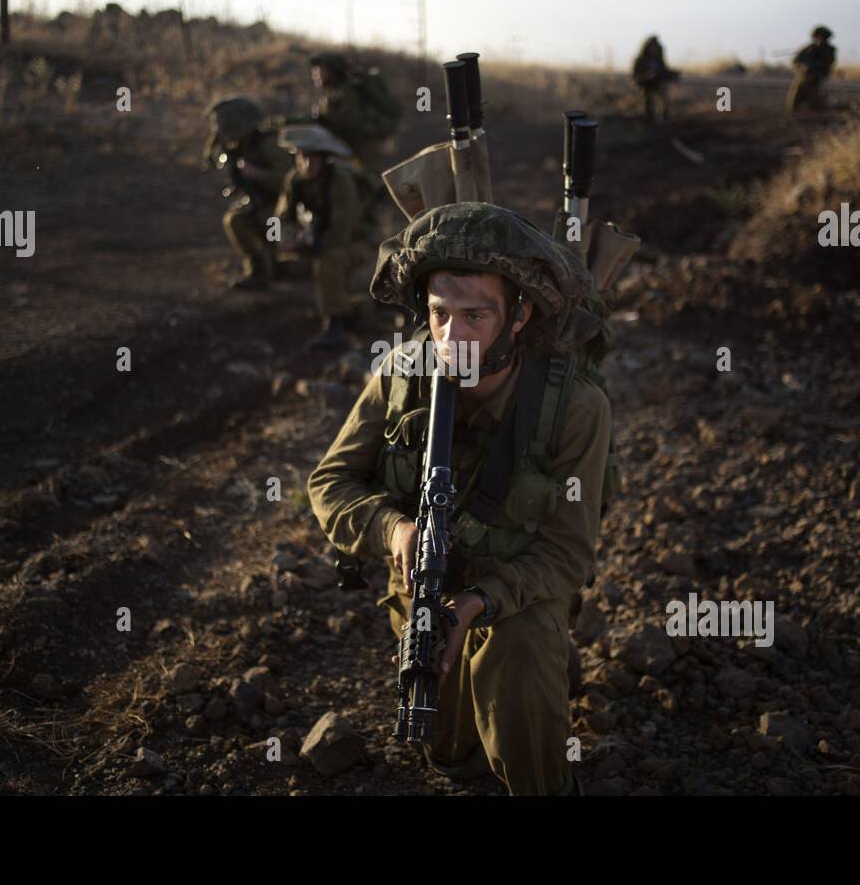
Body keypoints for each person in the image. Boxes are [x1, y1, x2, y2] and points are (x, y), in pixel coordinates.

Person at [307, 202, 612, 795]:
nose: (453, 337)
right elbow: (329, 484)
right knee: (449, 755)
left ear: (519, 315)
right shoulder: (401, 376)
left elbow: (568, 555)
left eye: (476, 315)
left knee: (517, 661)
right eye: (440, 314)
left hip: (518, 589)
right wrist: (392, 530)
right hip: (427, 589)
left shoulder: (575, 408)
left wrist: (479, 601)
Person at [274, 124, 363, 351]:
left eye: (312, 159)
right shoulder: (295, 180)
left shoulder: (340, 182)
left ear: (324, 160)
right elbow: (281, 217)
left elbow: (341, 231)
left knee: (329, 260)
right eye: (301, 157)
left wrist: (309, 243)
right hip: (314, 238)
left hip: (357, 241)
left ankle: (337, 321)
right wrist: (286, 238)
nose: (306, 164)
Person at [202, 96, 291, 290]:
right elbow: (209, 160)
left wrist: (258, 174)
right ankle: (258, 270)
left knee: (270, 225)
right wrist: (215, 140)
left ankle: (279, 267)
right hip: (257, 201)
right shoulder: (236, 146)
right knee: (234, 220)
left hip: (283, 203)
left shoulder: (269, 144)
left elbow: (289, 180)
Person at [787, 25, 836, 113]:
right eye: (817, 37)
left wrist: (814, 69)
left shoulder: (829, 50)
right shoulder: (808, 49)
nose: (818, 39)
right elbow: (796, 61)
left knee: (816, 106)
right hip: (803, 79)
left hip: (816, 80)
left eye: (820, 37)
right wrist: (802, 66)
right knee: (793, 106)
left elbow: (827, 63)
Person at [631, 35, 676, 123]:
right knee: (648, 96)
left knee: (663, 91)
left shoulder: (659, 62)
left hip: (657, 85)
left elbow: (664, 73)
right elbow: (635, 77)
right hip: (644, 86)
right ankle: (649, 118)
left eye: (655, 47)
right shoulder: (640, 61)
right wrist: (646, 76)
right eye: (652, 46)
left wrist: (672, 74)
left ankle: (663, 118)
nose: (654, 49)